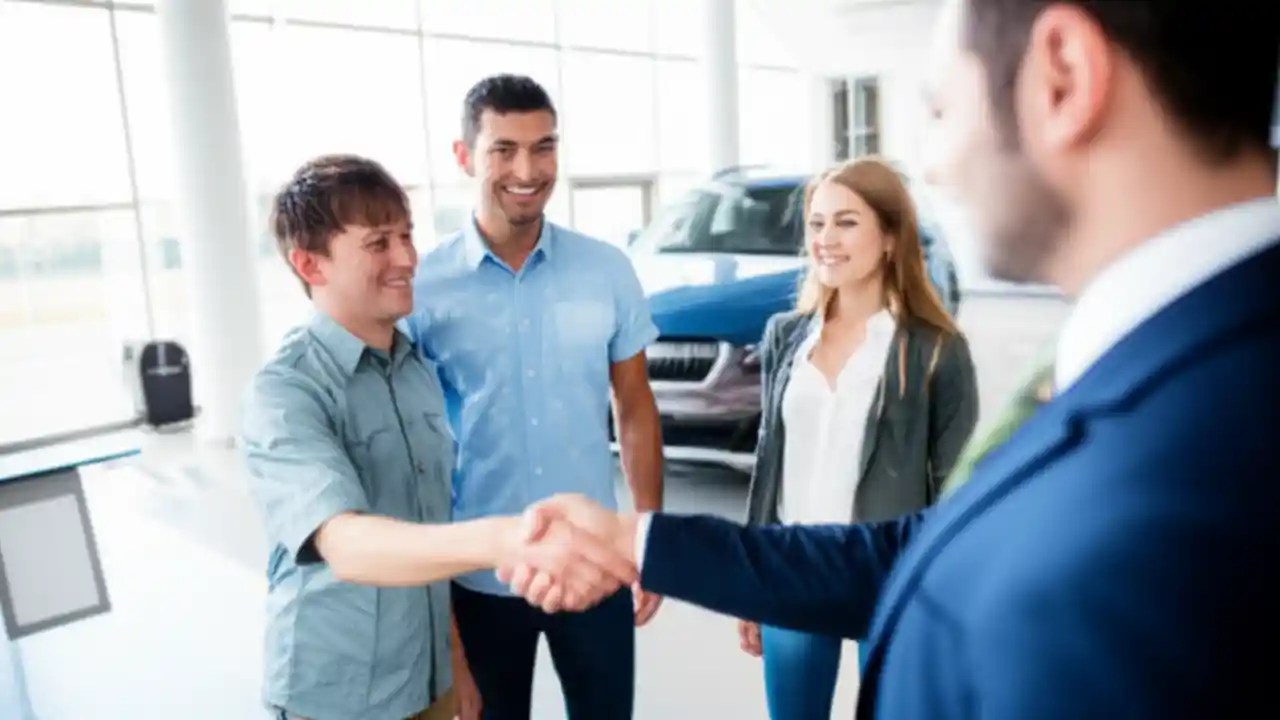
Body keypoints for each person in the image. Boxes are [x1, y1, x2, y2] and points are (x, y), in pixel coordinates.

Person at [501, 0, 1280, 716]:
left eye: (941, 107)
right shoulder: (1153, 351)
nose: (937, 166)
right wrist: (636, 541)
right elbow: (936, 538)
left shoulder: (1212, 447)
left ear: (1063, 75)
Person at [239, 155, 635, 720]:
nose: (407, 259)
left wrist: (454, 663)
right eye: (378, 243)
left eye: (407, 236)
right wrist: (506, 538)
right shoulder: (284, 393)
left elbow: (429, 525)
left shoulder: (414, 369)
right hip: (336, 699)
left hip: (426, 684)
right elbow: (346, 546)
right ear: (310, 264)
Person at [406, 75, 664, 719]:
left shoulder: (607, 270)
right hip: (481, 575)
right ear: (464, 157)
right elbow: (412, 446)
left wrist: (652, 535)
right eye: (504, 149)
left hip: (595, 562)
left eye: (543, 147)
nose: (527, 169)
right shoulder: (422, 288)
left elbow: (634, 404)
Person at [736, 157, 978, 719]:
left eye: (846, 223)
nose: (826, 239)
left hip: (889, 580)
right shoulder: (785, 336)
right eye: (817, 224)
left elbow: (954, 490)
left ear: (890, 237)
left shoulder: (935, 349)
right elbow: (769, 463)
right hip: (795, 571)